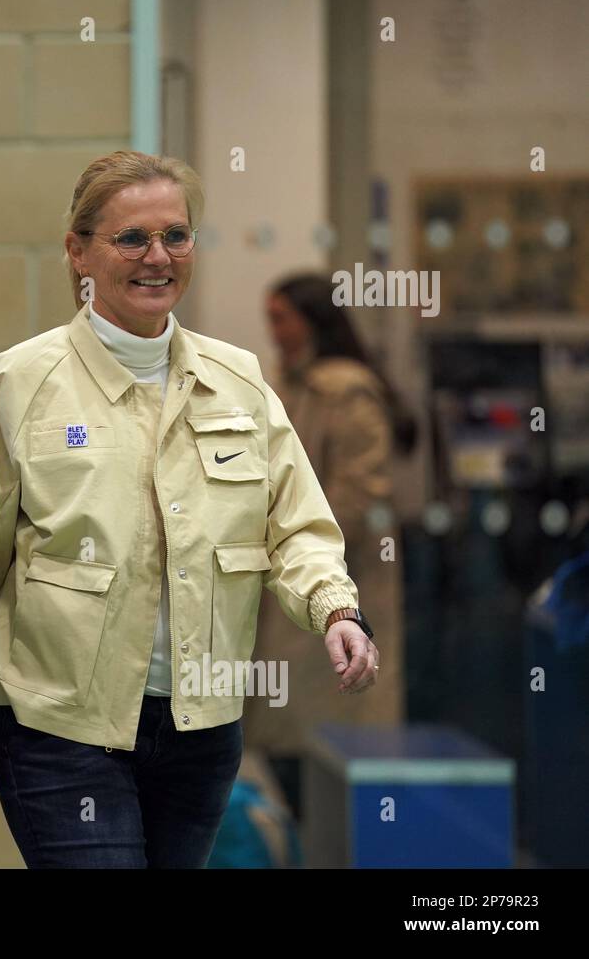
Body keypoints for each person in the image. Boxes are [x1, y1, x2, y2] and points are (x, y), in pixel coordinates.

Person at [0, 150, 379, 868]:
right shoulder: (16, 381)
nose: (158, 257)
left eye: (176, 236)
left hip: (203, 729)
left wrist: (335, 610)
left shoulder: (238, 381)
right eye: (132, 238)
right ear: (79, 251)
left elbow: (296, 527)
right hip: (61, 730)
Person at [243, 272, 415, 819]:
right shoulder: (291, 385)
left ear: (311, 320)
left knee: (330, 743)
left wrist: (297, 533)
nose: (273, 330)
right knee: (290, 743)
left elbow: (361, 492)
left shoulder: (344, 390)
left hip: (338, 576)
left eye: (281, 317)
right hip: (292, 580)